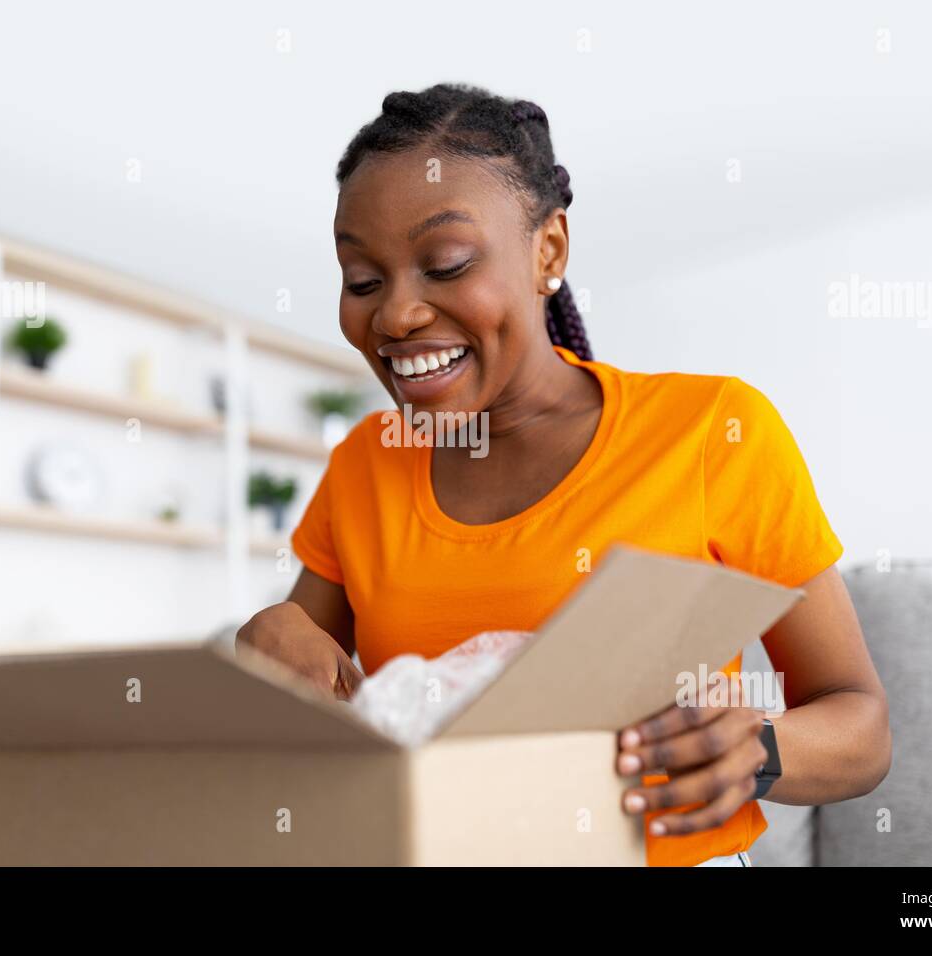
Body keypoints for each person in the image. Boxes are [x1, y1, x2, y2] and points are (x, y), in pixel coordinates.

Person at [236, 82, 891, 866]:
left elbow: (862, 722)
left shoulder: (714, 430)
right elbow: (302, 694)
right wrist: (267, 637)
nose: (395, 315)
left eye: (445, 264)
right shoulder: (365, 464)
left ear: (548, 250)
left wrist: (759, 748)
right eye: (363, 280)